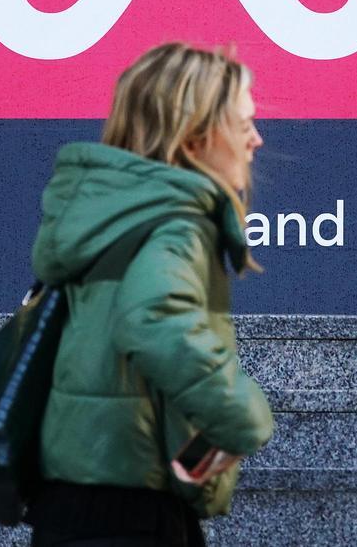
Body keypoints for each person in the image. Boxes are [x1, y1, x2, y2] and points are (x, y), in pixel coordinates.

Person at [24, 41, 275, 547]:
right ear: (197, 136)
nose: (257, 140)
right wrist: (246, 416)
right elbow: (152, 318)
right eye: (243, 124)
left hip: (71, 504)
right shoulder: (175, 224)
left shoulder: (114, 215)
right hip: (132, 514)